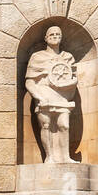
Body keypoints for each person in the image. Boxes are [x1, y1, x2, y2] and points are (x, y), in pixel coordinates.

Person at [24, 25, 78, 163]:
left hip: (62, 96)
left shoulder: (68, 57)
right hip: (43, 93)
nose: (55, 36)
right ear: (46, 38)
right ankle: (50, 157)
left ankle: (66, 157)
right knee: (46, 125)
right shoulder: (37, 57)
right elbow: (29, 82)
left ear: (61, 38)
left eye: (57, 34)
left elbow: (74, 78)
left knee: (64, 125)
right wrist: (39, 97)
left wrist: (65, 85)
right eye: (52, 34)